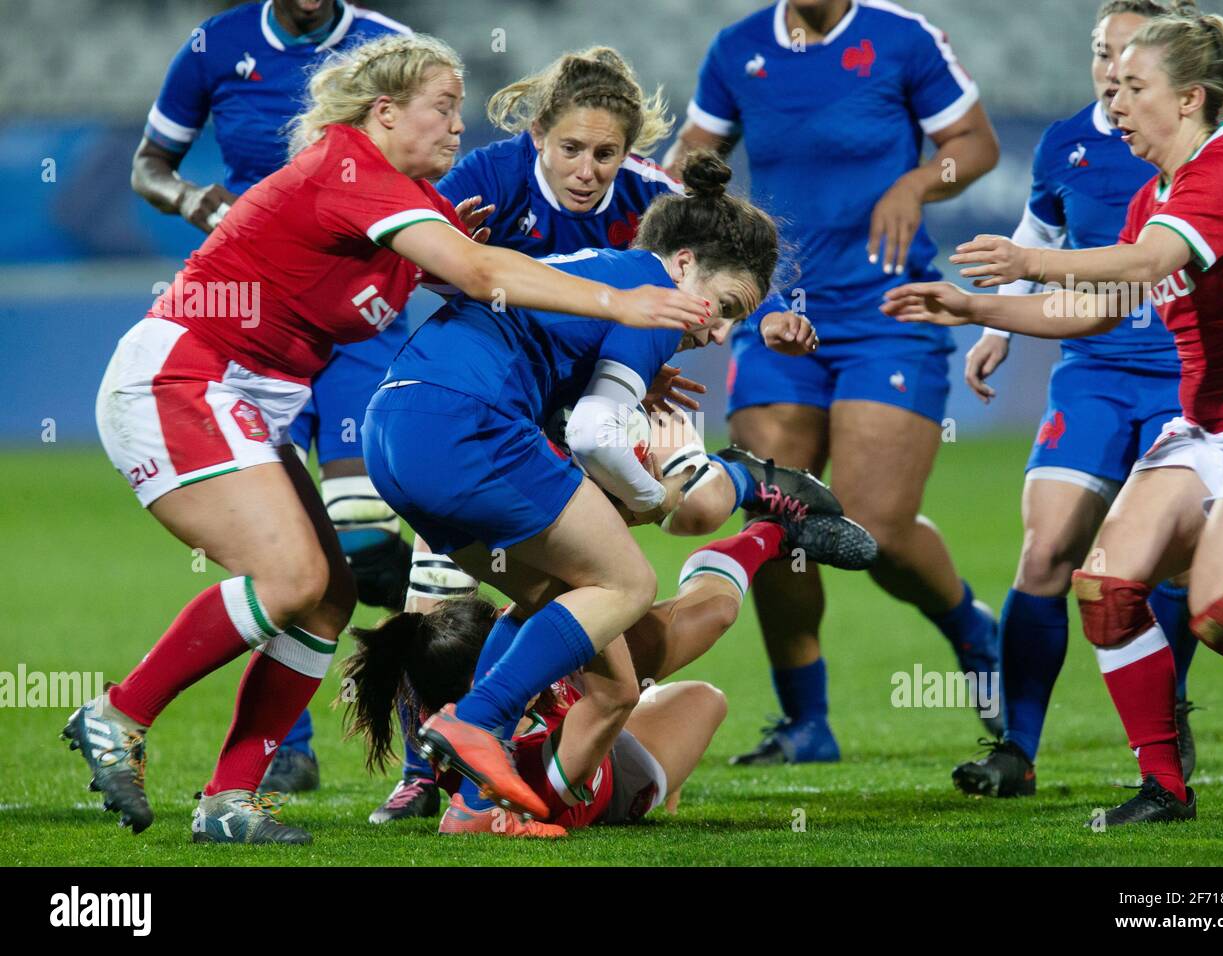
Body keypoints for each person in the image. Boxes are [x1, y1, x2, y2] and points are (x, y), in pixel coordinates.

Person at [62, 33, 710, 845]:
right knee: (294, 577)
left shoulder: (414, 200)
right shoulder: (350, 167)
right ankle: (119, 714)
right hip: (186, 374)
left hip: (252, 396)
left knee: (329, 598)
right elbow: (482, 276)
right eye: (441, 108)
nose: (454, 126)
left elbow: (484, 280)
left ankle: (228, 800)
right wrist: (623, 306)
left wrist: (620, 362)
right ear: (384, 112)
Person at [368, 47, 826, 824]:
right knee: (631, 585)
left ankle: (476, 801)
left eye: (736, 322)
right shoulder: (653, 294)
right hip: (468, 425)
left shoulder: (621, 260)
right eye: (723, 306)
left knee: (589, 645)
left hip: (397, 425)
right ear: (683, 265)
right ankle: (475, 721)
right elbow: (592, 430)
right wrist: (653, 499)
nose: (715, 332)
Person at [883, 8, 1223, 825]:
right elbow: (1106, 305)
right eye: (1112, 79)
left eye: (1135, 86)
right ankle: (1165, 789)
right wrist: (978, 307)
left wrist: (1028, 259)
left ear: (1188, 98)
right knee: (1106, 589)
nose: (1116, 100)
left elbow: (1146, 261)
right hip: (1205, 426)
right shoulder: (1158, 189)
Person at [662, 0, 1003, 764]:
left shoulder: (901, 38)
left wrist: (920, 182)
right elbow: (689, 161)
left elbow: (973, 146)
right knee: (776, 512)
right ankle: (806, 722)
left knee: (874, 528)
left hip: (888, 311)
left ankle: (971, 629)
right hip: (780, 313)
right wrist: (713, 225)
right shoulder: (738, 48)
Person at [130, 0, 413, 793]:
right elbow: (148, 164)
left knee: (365, 551)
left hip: (357, 321)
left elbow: (427, 165)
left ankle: (420, 739)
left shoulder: (391, 45)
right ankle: (282, 744)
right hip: (251, 325)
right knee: (277, 551)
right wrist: (192, 201)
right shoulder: (213, 44)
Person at [343, 510, 877, 836]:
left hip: (563, 700)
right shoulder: (538, 778)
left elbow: (514, 602)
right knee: (705, 695)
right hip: (608, 754)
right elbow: (614, 697)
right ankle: (756, 514)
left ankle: (772, 530)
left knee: (708, 614)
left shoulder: (433, 689)